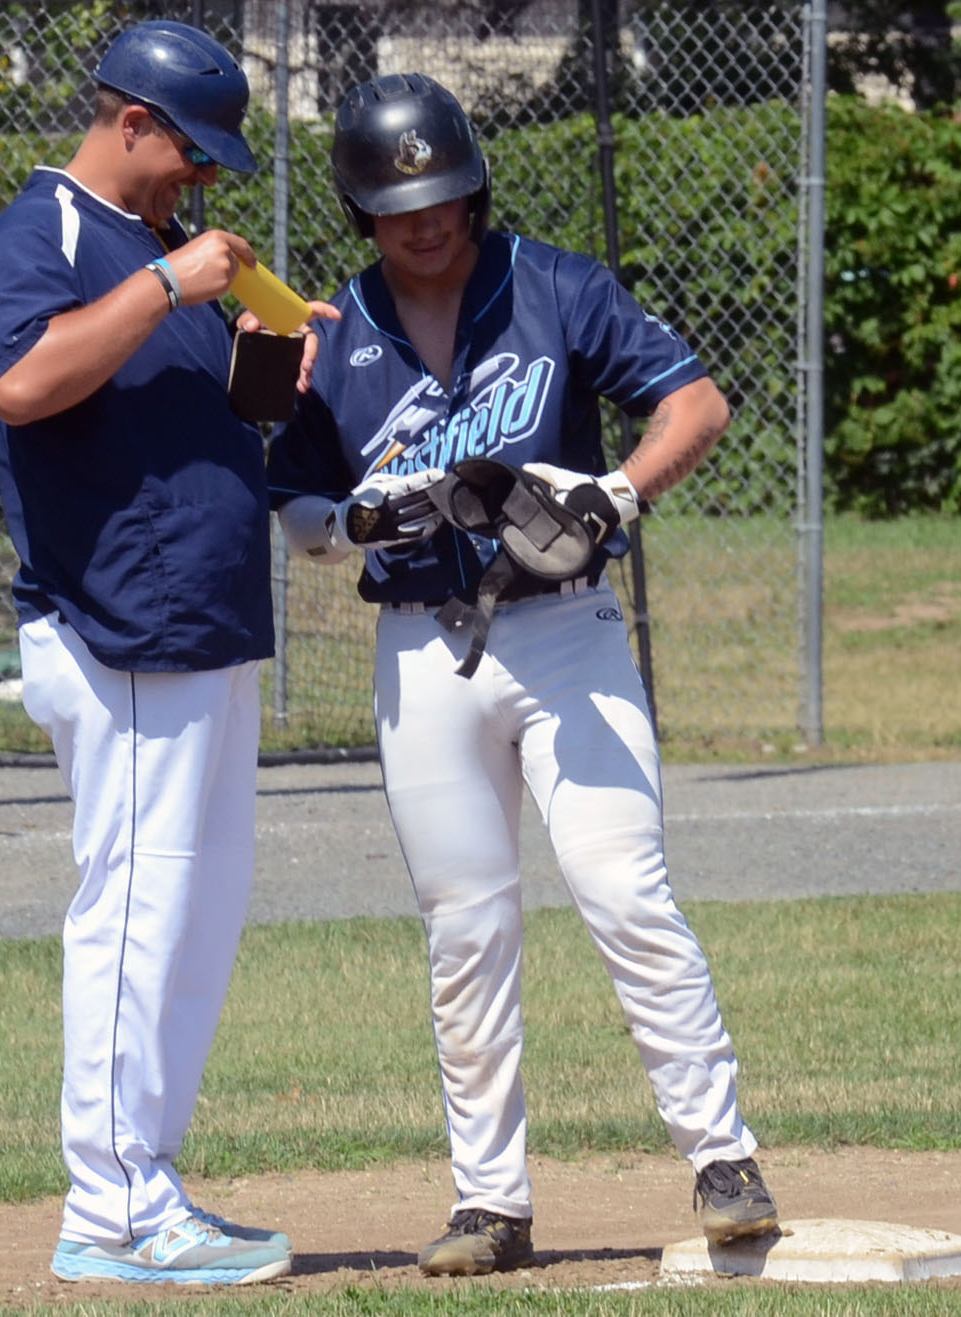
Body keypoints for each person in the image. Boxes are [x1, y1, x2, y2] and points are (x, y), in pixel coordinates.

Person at [268, 73, 779, 1277]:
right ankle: (489, 1204)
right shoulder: (333, 331)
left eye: (443, 196)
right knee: (465, 930)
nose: (425, 222)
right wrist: (350, 523)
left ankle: (722, 1158)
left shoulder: (553, 285)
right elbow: (292, 503)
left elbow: (693, 404)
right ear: (360, 213)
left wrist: (617, 492)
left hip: (565, 629)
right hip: (423, 651)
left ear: (473, 188)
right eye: (398, 207)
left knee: (622, 891)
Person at [0, 20, 336, 1287]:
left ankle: (149, 1182)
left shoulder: (157, 250)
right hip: (118, 622)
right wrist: (167, 289)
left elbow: (222, 418)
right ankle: (109, 1208)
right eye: (191, 150)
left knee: (193, 915)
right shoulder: (54, 229)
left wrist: (278, 356)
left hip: (201, 625)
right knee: (134, 913)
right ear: (129, 120)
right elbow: (23, 382)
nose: (204, 178)